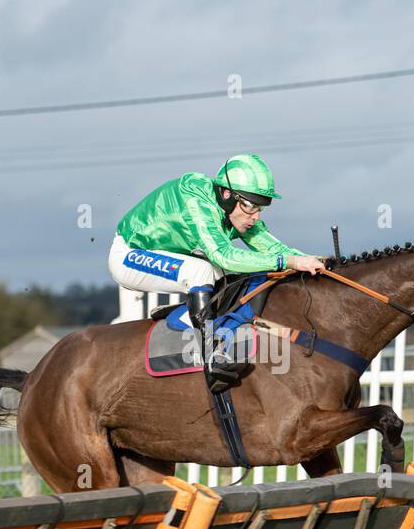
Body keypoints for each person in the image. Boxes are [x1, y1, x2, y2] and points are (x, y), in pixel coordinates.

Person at [109, 153, 325, 392]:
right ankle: (211, 355)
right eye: (251, 205)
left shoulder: (233, 209)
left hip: (170, 256)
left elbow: (274, 249)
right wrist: (289, 260)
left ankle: (195, 319)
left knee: (236, 272)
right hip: (129, 255)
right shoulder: (197, 201)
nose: (256, 216)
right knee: (203, 269)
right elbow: (223, 254)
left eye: (261, 207)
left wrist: (309, 260)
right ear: (226, 195)